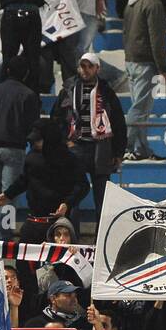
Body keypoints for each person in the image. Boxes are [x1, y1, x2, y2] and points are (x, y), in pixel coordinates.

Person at [51, 52, 127, 221]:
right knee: (73, 197)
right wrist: (65, 142)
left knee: (102, 198)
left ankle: (100, 240)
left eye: (89, 66)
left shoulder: (107, 92)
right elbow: (56, 119)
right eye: (82, 66)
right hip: (75, 148)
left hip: (101, 149)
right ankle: (70, 236)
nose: (85, 70)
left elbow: (119, 123)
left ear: (97, 68)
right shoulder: (68, 90)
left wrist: (118, 153)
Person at [0, 56, 40, 240]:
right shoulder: (28, 94)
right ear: (26, 73)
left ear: (7, 71)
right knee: (9, 195)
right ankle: (4, 238)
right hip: (13, 148)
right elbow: (32, 125)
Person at [121, 0, 166, 162]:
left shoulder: (132, 1)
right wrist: (163, 68)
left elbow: (125, 33)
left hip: (132, 60)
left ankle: (141, 149)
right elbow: (156, 38)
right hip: (145, 62)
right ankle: (124, 147)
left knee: (140, 109)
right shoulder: (152, 3)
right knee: (140, 109)